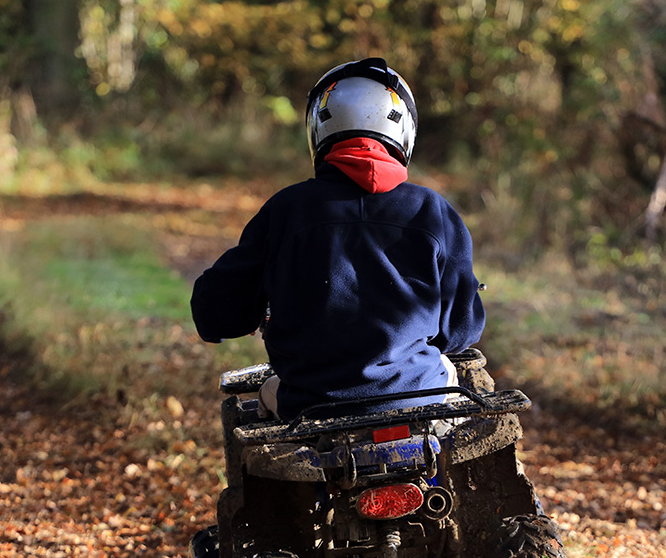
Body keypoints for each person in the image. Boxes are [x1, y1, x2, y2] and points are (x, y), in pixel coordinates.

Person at [191, 57, 485, 421]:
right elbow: (461, 331)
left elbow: (216, 315)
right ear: (403, 130)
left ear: (319, 129)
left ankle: (273, 482)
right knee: (465, 384)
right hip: (418, 399)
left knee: (256, 408)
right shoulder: (433, 211)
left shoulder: (286, 210)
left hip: (311, 405)